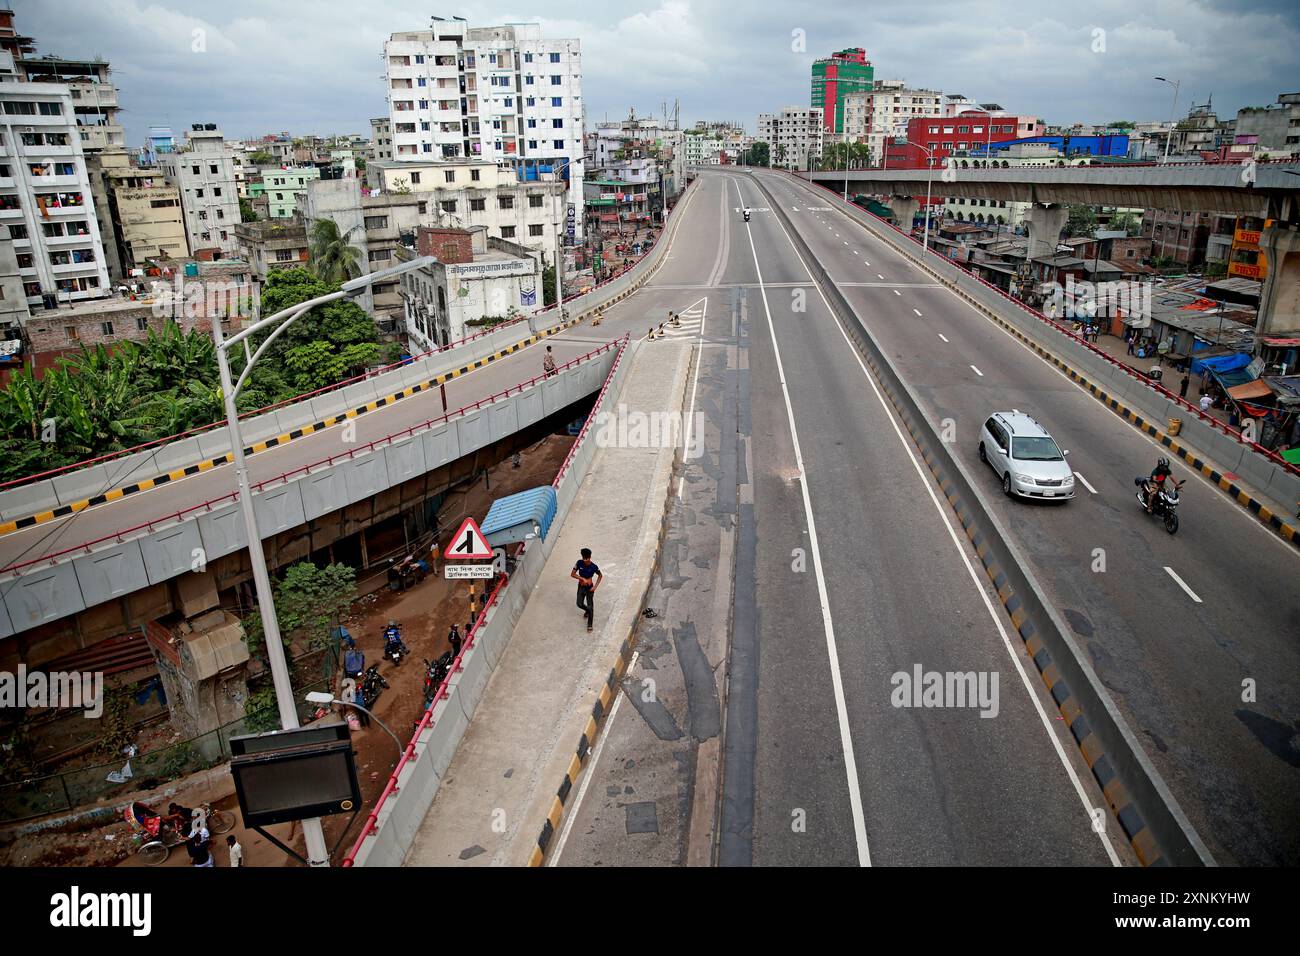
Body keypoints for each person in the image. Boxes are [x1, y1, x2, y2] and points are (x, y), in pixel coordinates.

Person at [571, 548, 603, 633]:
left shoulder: (593, 567)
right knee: (579, 603)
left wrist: (595, 587)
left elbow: (600, 575)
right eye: (584, 558)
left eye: (587, 558)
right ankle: (587, 611)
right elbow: (572, 574)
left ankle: (590, 624)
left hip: (589, 588)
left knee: (590, 606)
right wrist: (582, 578)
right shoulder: (579, 563)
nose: (585, 560)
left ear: (590, 557)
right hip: (581, 586)